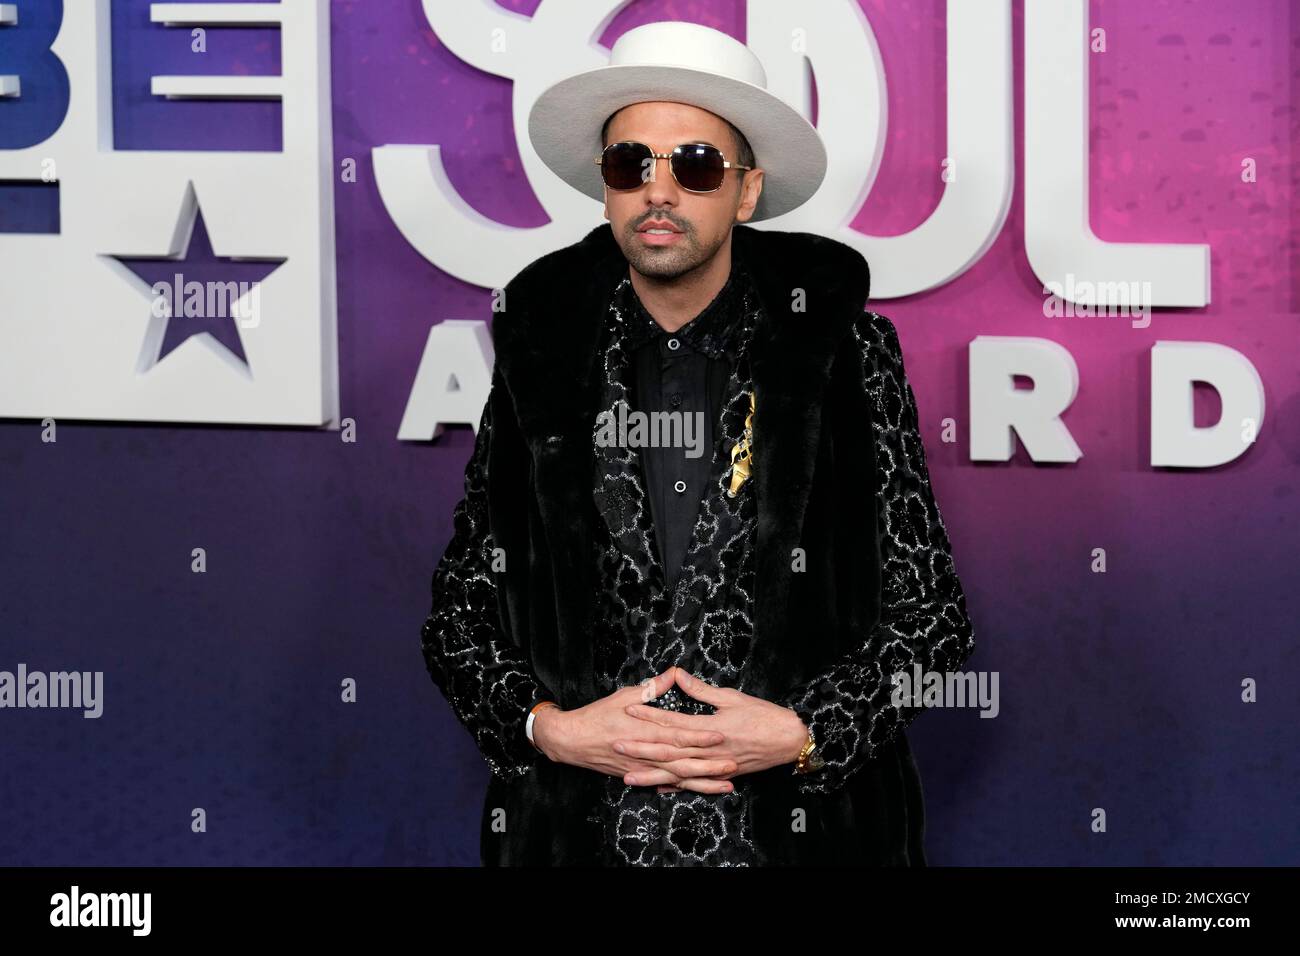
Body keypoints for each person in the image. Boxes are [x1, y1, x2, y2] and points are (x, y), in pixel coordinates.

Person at [419, 20, 975, 866]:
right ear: (605, 188)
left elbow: (934, 621)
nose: (659, 191)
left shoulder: (843, 356)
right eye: (629, 164)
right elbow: (459, 615)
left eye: (697, 165)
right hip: (578, 843)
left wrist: (802, 733)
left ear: (746, 192)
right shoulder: (543, 365)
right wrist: (554, 732)